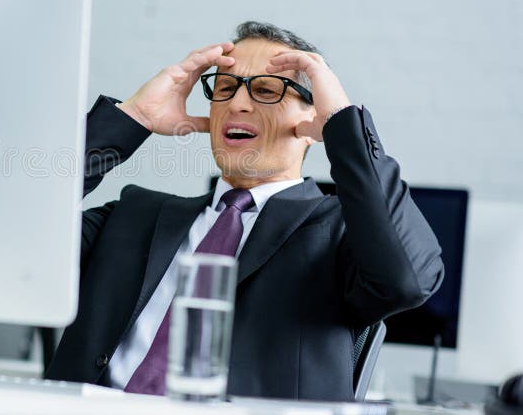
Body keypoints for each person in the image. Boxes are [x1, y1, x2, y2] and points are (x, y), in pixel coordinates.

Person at [45, 21, 444, 401]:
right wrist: (133, 118)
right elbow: (10, 236)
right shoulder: (132, 215)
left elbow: (407, 279)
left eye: (267, 90)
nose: (238, 102)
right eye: (224, 87)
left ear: (312, 116)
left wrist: (344, 125)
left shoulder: (339, 232)